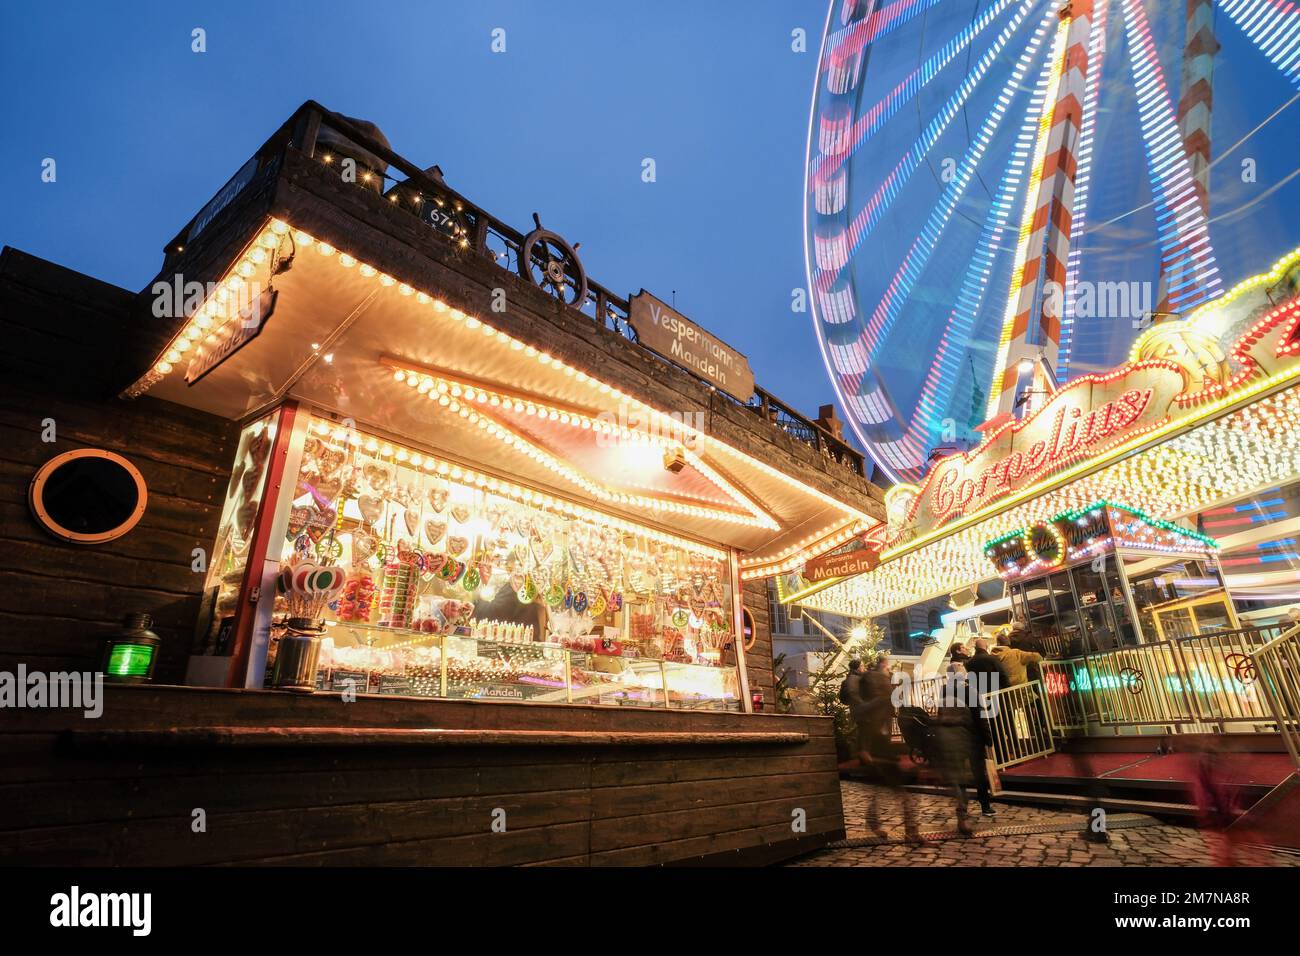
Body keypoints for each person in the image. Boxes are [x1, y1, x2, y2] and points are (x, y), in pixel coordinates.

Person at [933, 662, 995, 834]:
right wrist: (988, 738)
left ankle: (963, 812)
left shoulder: (944, 690)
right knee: (978, 772)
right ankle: (985, 805)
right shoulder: (970, 690)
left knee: (959, 774)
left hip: (952, 738)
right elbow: (980, 715)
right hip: (971, 737)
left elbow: (941, 713)